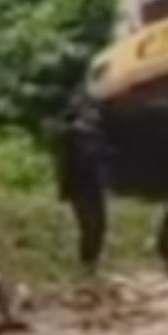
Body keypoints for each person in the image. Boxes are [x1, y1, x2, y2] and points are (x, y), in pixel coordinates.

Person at [51, 95, 109, 270]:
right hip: (80, 187)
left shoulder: (97, 135)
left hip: (95, 186)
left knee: (99, 225)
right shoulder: (71, 134)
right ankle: (87, 263)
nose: (95, 114)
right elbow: (65, 163)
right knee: (89, 225)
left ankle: (91, 262)